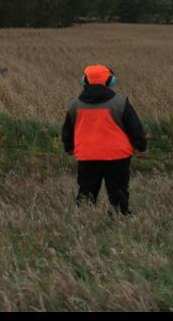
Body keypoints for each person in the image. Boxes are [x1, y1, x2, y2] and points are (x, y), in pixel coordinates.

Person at [63, 65, 149, 215]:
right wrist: (141, 147)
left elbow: (67, 130)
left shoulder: (75, 104)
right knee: (118, 189)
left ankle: (84, 217)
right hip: (117, 155)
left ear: (85, 81)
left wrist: (69, 147)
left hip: (87, 155)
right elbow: (134, 127)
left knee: (87, 189)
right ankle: (120, 215)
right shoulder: (121, 102)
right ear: (110, 81)